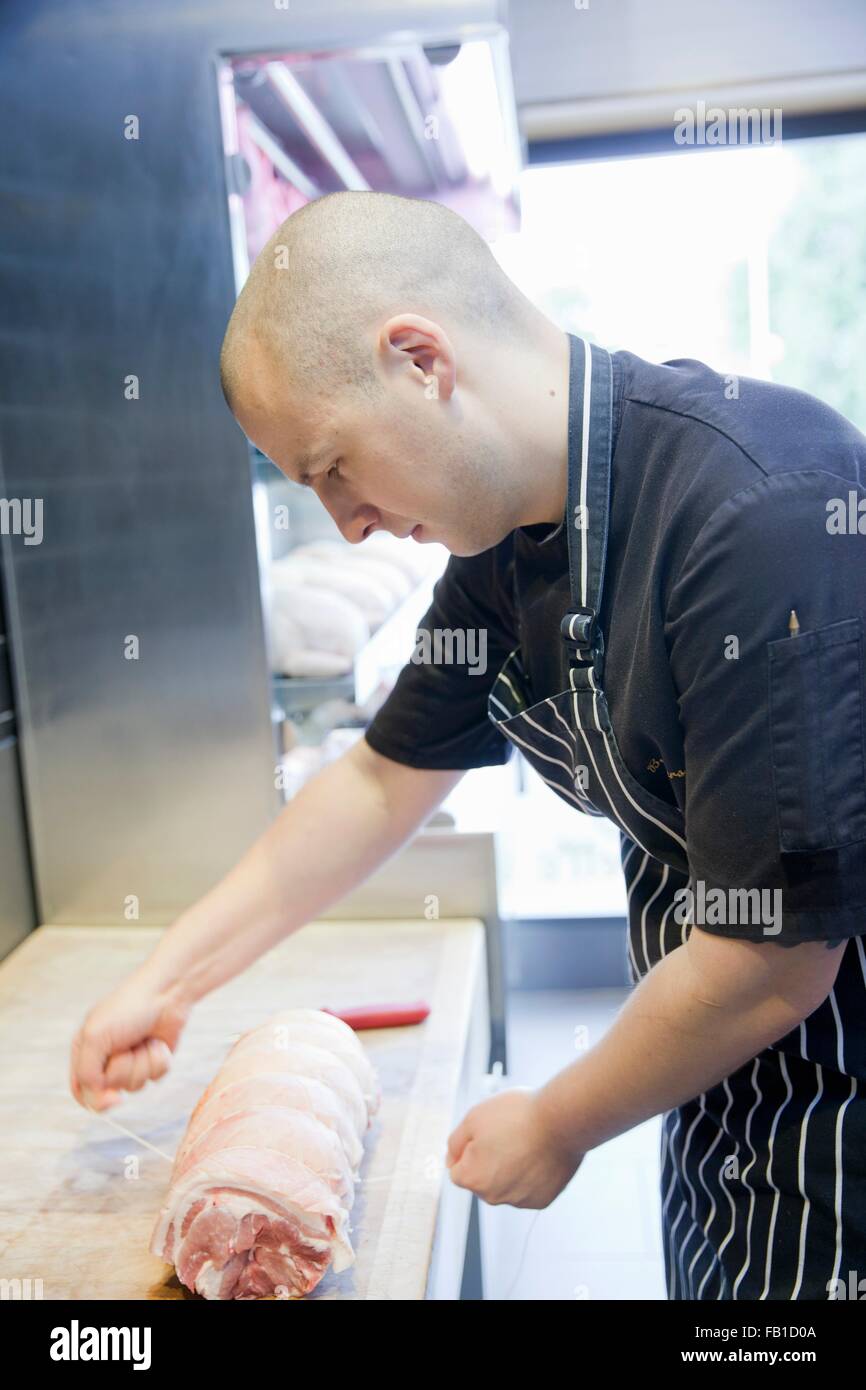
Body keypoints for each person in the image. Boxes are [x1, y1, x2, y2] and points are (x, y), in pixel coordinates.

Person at [70, 190, 866, 1301]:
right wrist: (169, 978)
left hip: (837, 1119)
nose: (345, 521)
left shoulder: (759, 511)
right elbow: (380, 779)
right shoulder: (503, 553)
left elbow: (773, 960)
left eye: (333, 466)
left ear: (419, 360)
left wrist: (557, 1116)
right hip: (709, 1090)